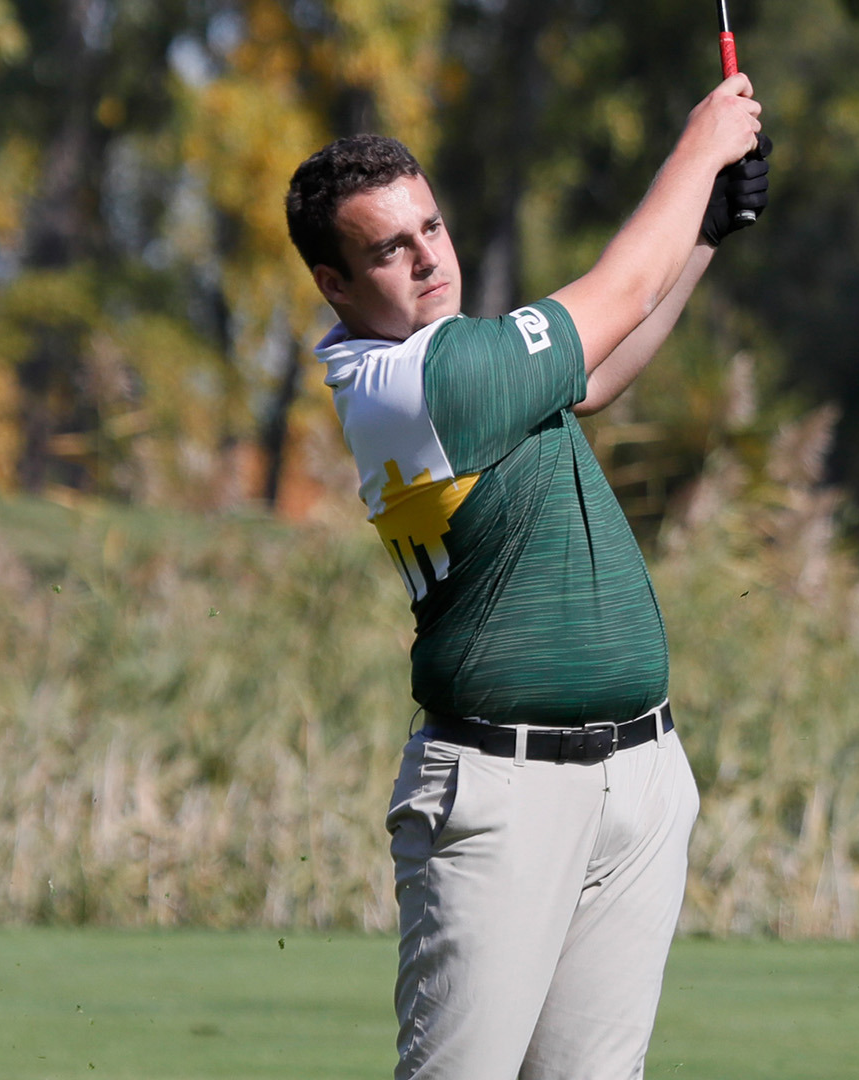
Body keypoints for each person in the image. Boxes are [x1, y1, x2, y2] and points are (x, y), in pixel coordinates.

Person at [283, 73, 770, 1080]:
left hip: (636, 780)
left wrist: (707, 229)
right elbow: (619, 292)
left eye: (431, 228)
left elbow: (592, 374)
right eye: (388, 248)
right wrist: (701, 146)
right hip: (500, 793)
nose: (427, 259)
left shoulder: (468, 359)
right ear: (334, 283)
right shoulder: (417, 383)